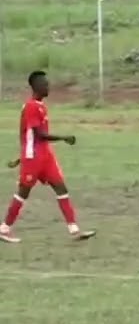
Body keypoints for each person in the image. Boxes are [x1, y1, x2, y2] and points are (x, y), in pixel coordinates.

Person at [0, 71, 92, 243]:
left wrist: (18, 159)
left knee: (61, 188)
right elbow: (39, 135)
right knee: (23, 192)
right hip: (33, 157)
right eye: (45, 84)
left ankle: (74, 230)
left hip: (45, 156)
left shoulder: (40, 106)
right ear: (35, 87)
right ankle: (4, 229)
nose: (48, 87)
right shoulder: (31, 107)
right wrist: (63, 138)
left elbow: (32, 137)